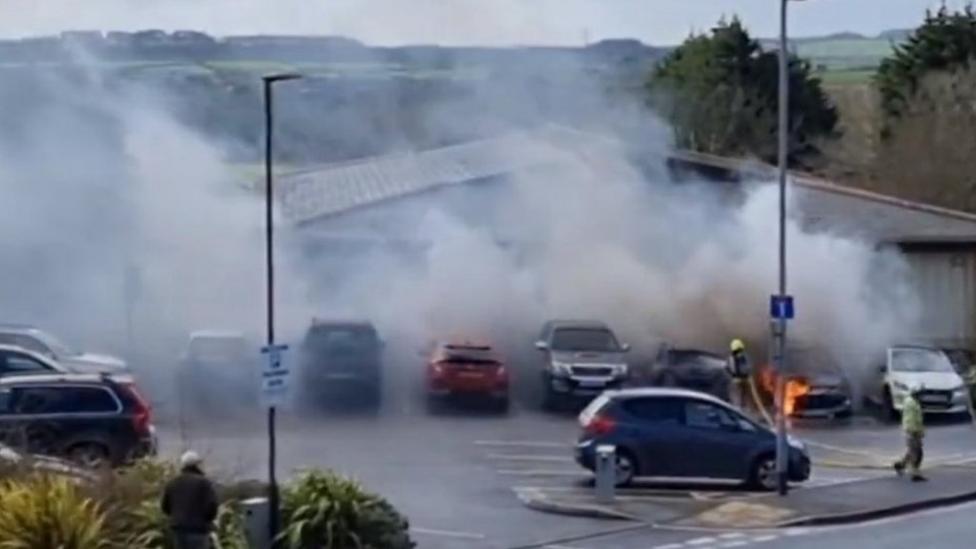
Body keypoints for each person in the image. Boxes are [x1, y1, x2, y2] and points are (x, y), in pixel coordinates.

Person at [162, 451, 219, 549]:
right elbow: (212, 505)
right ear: (197, 465)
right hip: (198, 530)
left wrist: (176, 516)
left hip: (178, 529)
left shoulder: (172, 483)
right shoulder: (204, 482)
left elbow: (165, 507)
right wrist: (207, 520)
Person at [893, 385, 927, 482]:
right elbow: (912, 419)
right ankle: (915, 474)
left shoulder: (912, 402)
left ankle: (900, 465)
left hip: (912, 430)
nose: (921, 396)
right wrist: (917, 431)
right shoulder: (912, 404)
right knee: (917, 453)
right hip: (912, 431)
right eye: (920, 393)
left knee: (912, 451)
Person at [727, 339, 751, 408]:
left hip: (738, 382)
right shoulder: (741, 357)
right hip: (740, 381)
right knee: (740, 401)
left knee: (739, 400)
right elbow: (747, 368)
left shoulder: (731, 358)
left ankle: (739, 412)